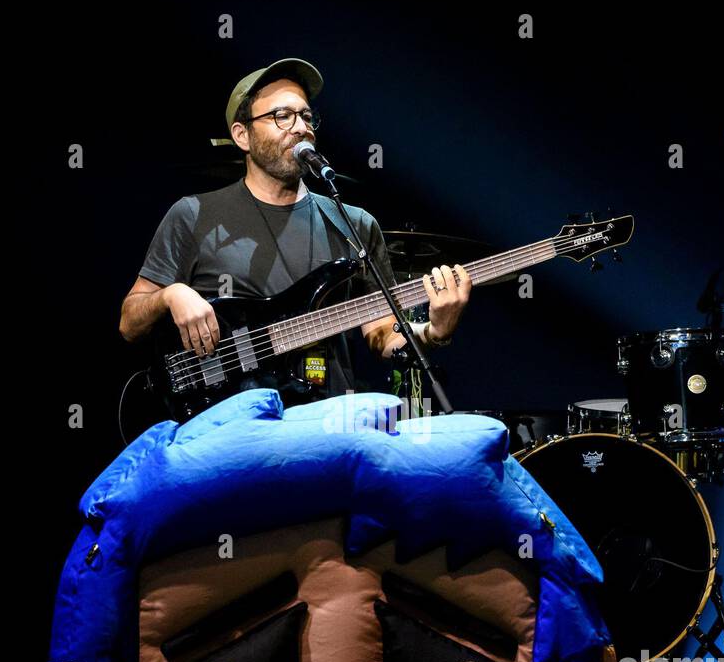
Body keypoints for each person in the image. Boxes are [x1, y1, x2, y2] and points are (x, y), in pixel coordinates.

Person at [118, 58, 471, 404]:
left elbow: (381, 334)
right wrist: (171, 295)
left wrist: (434, 332)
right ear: (242, 136)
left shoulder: (356, 224)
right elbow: (130, 323)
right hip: (227, 424)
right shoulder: (194, 214)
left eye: (306, 116)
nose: (301, 127)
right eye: (281, 116)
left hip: (326, 421)